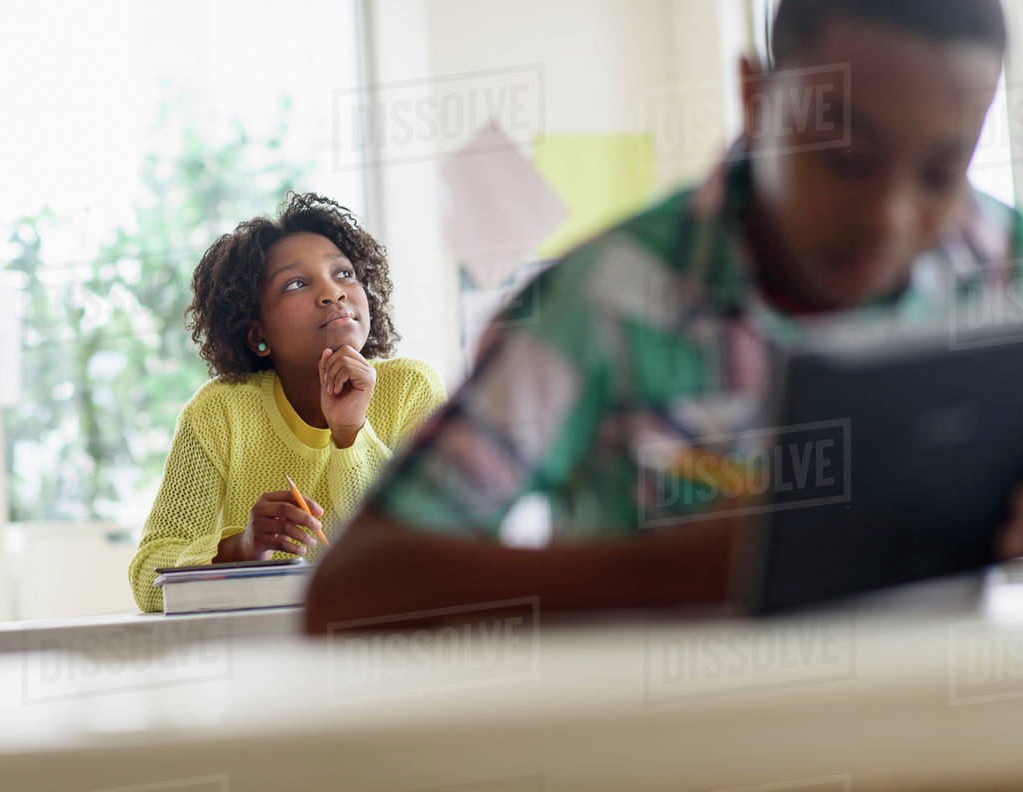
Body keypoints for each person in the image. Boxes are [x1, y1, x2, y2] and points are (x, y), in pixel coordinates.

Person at [304, 0, 1023, 632]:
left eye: (942, 173)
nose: (889, 219)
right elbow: (356, 586)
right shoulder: (603, 303)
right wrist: (684, 571)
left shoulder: (1002, 263)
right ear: (756, 96)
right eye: (847, 158)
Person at [129, 192, 446, 613]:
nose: (332, 293)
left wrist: (350, 434)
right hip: (262, 659)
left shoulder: (410, 389)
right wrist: (239, 547)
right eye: (297, 283)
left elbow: (432, 553)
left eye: (345, 274)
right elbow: (147, 579)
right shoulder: (219, 413)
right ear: (257, 333)